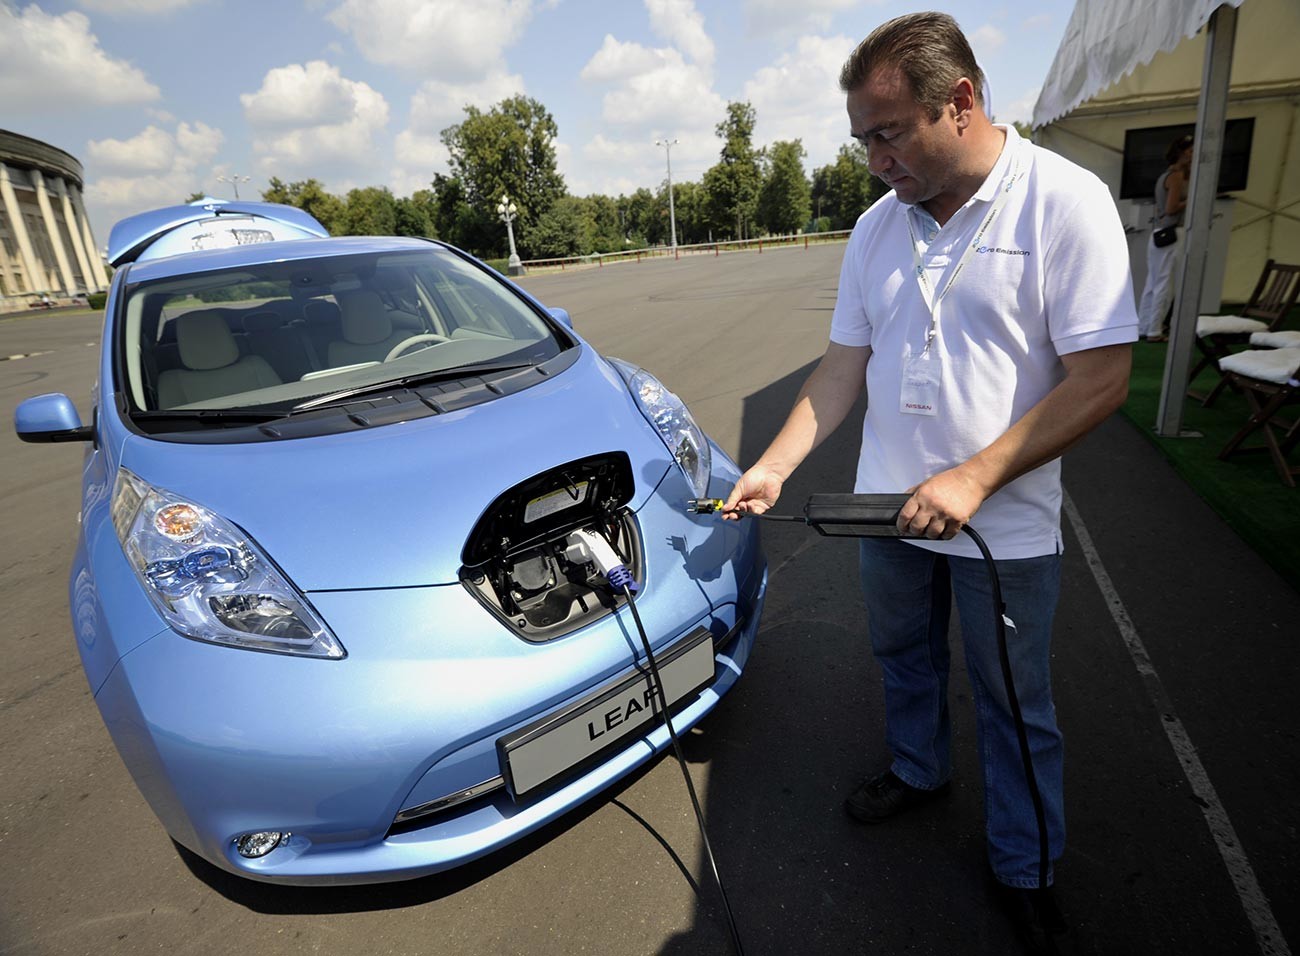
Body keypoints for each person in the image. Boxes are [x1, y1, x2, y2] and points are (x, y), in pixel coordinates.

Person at [722, 11, 1136, 952]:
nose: (873, 159)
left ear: (961, 100)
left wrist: (976, 477)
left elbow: (1101, 379)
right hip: (885, 519)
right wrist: (775, 465)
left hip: (1005, 528)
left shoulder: (1063, 203)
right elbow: (839, 371)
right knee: (902, 661)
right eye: (861, 138)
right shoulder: (877, 229)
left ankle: (1025, 865)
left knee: (1013, 704)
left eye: (888, 132)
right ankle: (916, 771)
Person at [1136, 134, 1194, 342]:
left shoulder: (1165, 176)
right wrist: (1192, 199)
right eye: (1189, 152)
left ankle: (1144, 327)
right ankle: (1155, 330)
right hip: (1171, 233)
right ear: (1181, 154)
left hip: (1159, 234)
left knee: (1153, 282)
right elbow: (1171, 208)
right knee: (1164, 283)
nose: (1192, 155)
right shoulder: (1176, 176)